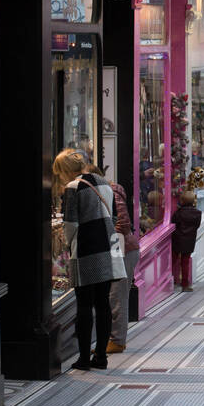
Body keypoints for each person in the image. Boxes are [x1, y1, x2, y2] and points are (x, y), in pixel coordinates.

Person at [55, 149, 125, 370]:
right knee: (103, 303)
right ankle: (101, 357)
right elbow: (114, 216)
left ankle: (84, 358)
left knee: (84, 305)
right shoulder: (103, 182)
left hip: (86, 248)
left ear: (65, 170)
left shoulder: (72, 188)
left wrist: (66, 243)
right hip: (108, 246)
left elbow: (70, 224)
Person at [105, 170, 139, 354]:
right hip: (123, 248)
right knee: (116, 295)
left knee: (117, 296)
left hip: (123, 249)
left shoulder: (111, 193)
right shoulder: (112, 191)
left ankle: (117, 340)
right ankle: (114, 338)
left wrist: (113, 250)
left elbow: (122, 225)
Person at [171, 189, 203, 291]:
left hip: (177, 239)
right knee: (185, 262)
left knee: (172, 261)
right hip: (189, 240)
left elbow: (173, 224)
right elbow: (197, 226)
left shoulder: (178, 213)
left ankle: (170, 281)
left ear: (182, 201)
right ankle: (185, 284)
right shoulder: (198, 213)